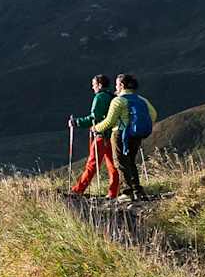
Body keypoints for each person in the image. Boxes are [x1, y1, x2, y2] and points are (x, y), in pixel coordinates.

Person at [93, 73, 158, 201]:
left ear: (122, 85)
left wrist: (96, 128)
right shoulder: (141, 99)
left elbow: (109, 122)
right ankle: (137, 190)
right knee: (131, 162)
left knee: (120, 162)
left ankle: (127, 192)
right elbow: (153, 114)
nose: (116, 87)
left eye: (117, 84)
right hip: (135, 134)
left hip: (119, 134)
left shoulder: (118, 101)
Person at [68, 72, 116, 197]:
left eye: (94, 84)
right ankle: (113, 192)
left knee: (92, 164)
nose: (92, 87)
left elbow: (93, 118)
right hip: (113, 135)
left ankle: (78, 190)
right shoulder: (112, 97)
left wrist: (76, 122)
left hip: (102, 135)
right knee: (112, 164)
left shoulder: (99, 98)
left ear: (99, 85)